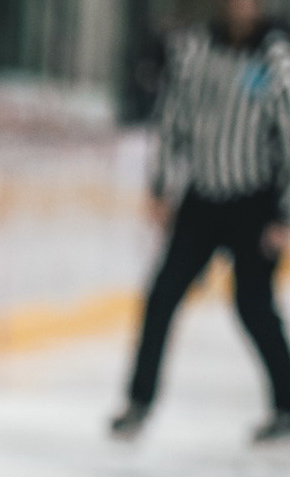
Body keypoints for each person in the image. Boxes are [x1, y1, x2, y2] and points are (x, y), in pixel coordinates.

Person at [114, 0, 290, 445]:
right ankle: (139, 401)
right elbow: (172, 120)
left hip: (255, 202)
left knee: (252, 305)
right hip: (202, 200)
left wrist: (284, 216)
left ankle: (287, 404)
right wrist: (158, 187)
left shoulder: (276, 59)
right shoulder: (194, 51)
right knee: (162, 296)